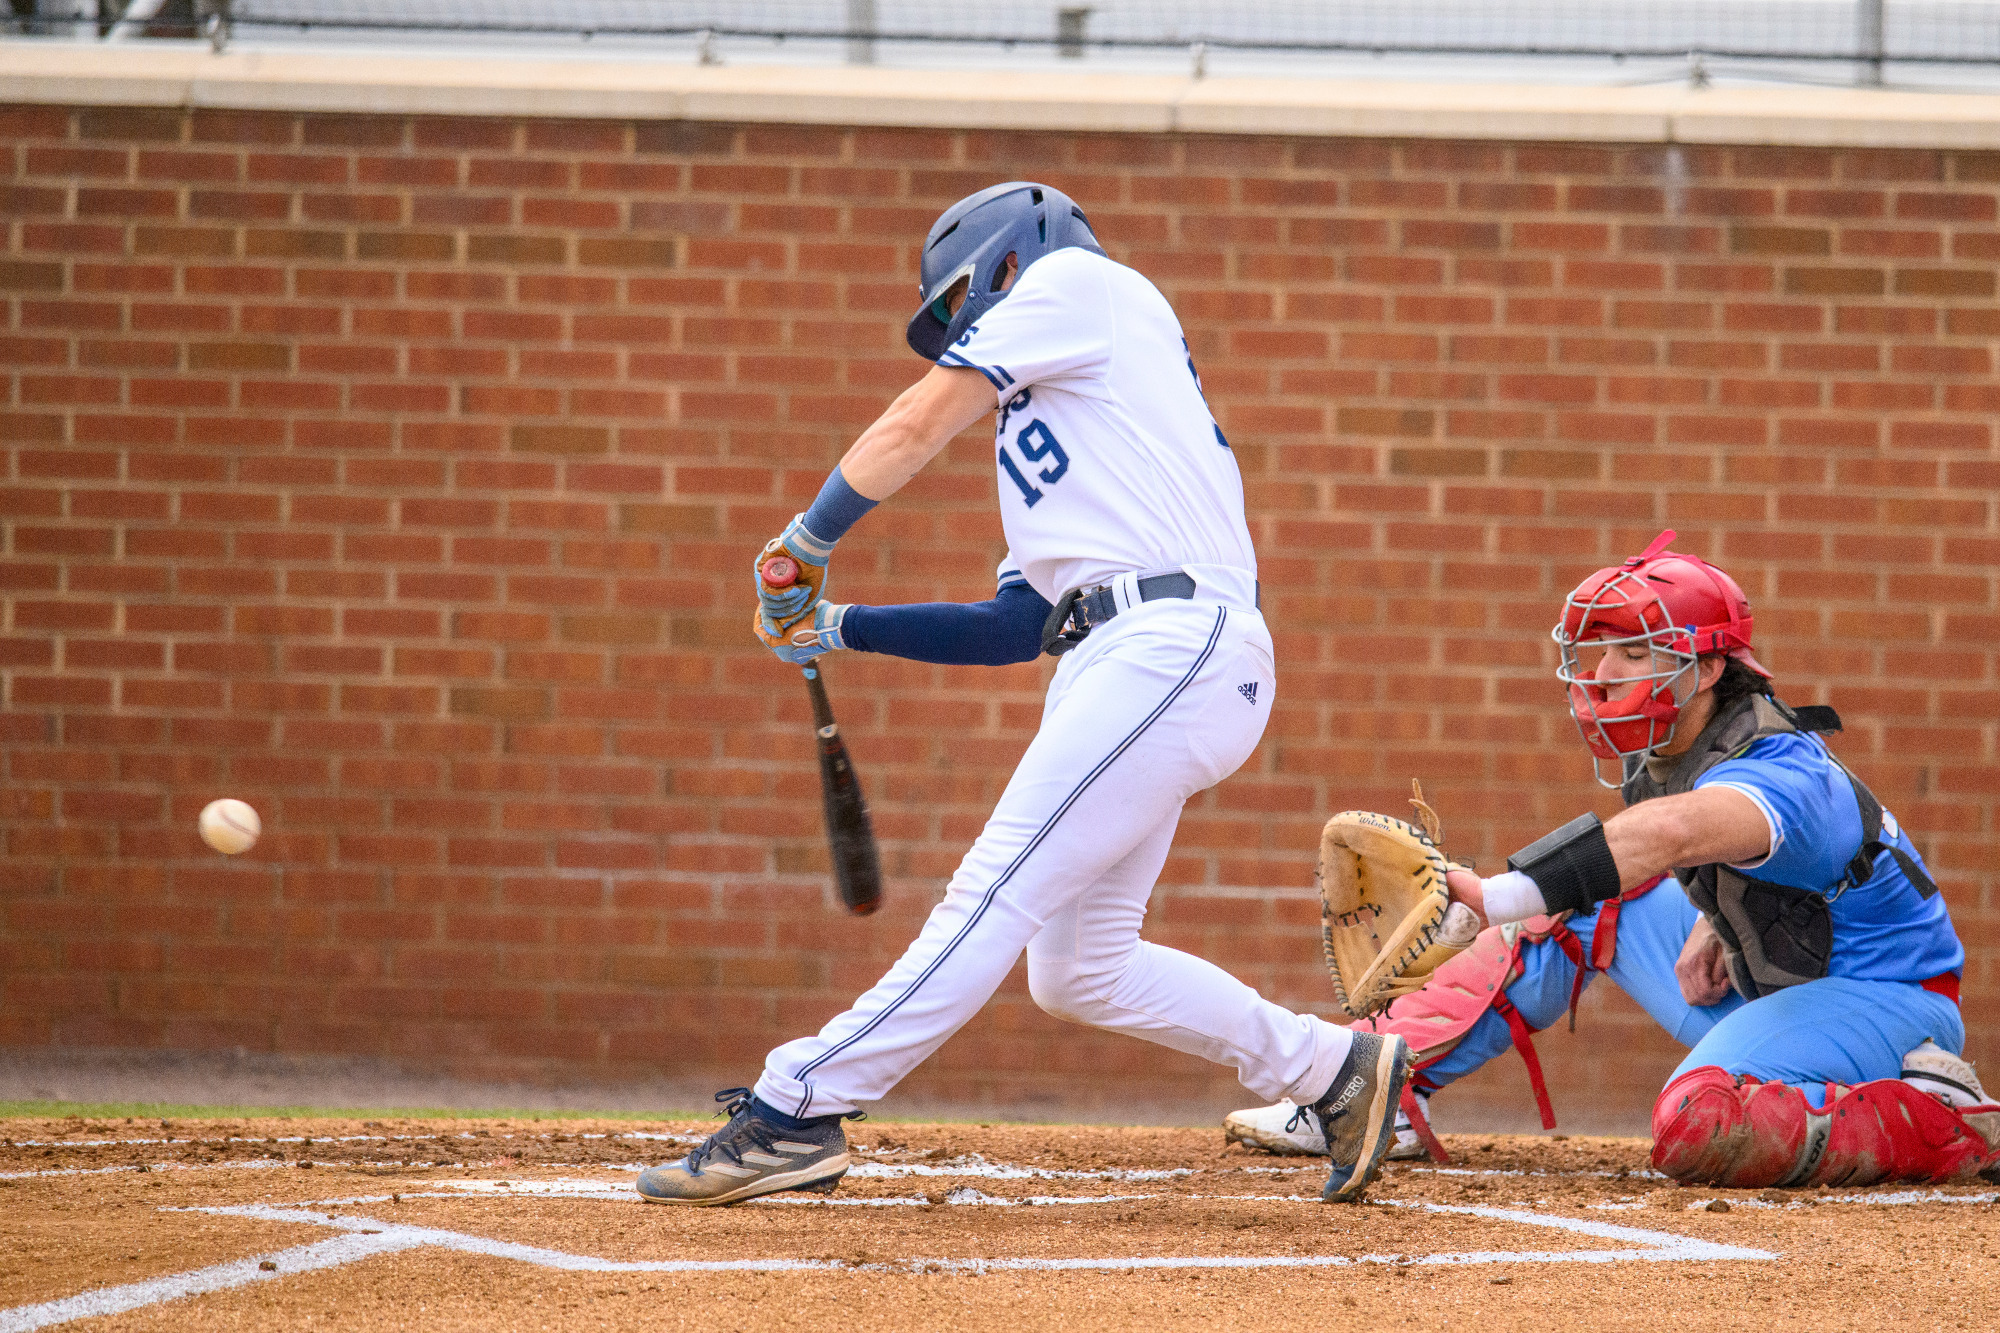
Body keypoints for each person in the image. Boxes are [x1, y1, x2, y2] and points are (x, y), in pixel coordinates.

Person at [635, 182, 1411, 1208]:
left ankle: (796, 1107)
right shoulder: (1067, 429)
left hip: (1170, 642)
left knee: (987, 894)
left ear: (1005, 260)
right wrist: (836, 624)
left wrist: (802, 544)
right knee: (1078, 968)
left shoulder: (1078, 281)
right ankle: (1329, 1069)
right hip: (1126, 656)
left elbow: (913, 423)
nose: (962, 333)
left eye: (963, 305)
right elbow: (1013, 627)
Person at [1230, 532, 1997, 1188]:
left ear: (1705, 670)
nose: (1605, 673)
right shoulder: (1669, 747)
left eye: (1638, 652)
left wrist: (1491, 895)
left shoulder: (1786, 770)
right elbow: (1679, 853)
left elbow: (1675, 833)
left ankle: (1937, 1113)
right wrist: (1713, 917)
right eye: (1601, 651)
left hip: (1889, 1000)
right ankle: (1374, 1091)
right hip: (1782, 981)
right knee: (1579, 903)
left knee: (1698, 1122)